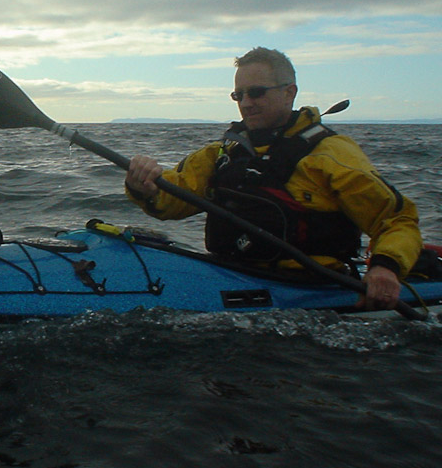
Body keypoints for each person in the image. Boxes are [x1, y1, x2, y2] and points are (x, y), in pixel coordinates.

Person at [124, 47, 421, 310]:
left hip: (311, 288)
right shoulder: (223, 153)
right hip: (231, 275)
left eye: (256, 92)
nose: (246, 103)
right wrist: (145, 187)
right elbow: (173, 199)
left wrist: (385, 267)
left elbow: (397, 220)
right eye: (239, 95)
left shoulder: (331, 154)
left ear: (289, 92)